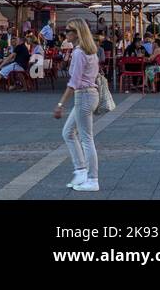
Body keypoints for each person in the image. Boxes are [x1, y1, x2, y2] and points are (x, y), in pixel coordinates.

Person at [55, 20, 101, 191]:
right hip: (89, 94)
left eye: (68, 31)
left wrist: (60, 104)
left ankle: (92, 179)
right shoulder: (90, 51)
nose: (65, 34)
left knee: (87, 139)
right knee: (68, 132)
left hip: (84, 95)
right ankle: (81, 170)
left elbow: (73, 83)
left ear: (77, 32)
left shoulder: (79, 53)